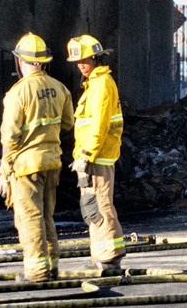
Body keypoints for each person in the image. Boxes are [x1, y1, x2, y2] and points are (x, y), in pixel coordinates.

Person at [0, 32, 74, 282]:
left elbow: (10, 136)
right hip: (52, 163)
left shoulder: (17, 93)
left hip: (26, 166)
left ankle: (37, 271)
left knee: (29, 218)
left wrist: (4, 167)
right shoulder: (60, 88)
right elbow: (68, 123)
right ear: (43, 62)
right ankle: (52, 266)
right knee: (46, 216)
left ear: (20, 61)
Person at [66, 34, 126, 270]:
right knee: (93, 205)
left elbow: (99, 124)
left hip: (96, 157)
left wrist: (86, 155)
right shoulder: (95, 84)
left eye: (85, 60)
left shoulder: (101, 85)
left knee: (99, 205)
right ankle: (102, 255)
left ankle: (109, 256)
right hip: (94, 156)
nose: (81, 65)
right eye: (78, 61)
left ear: (96, 58)